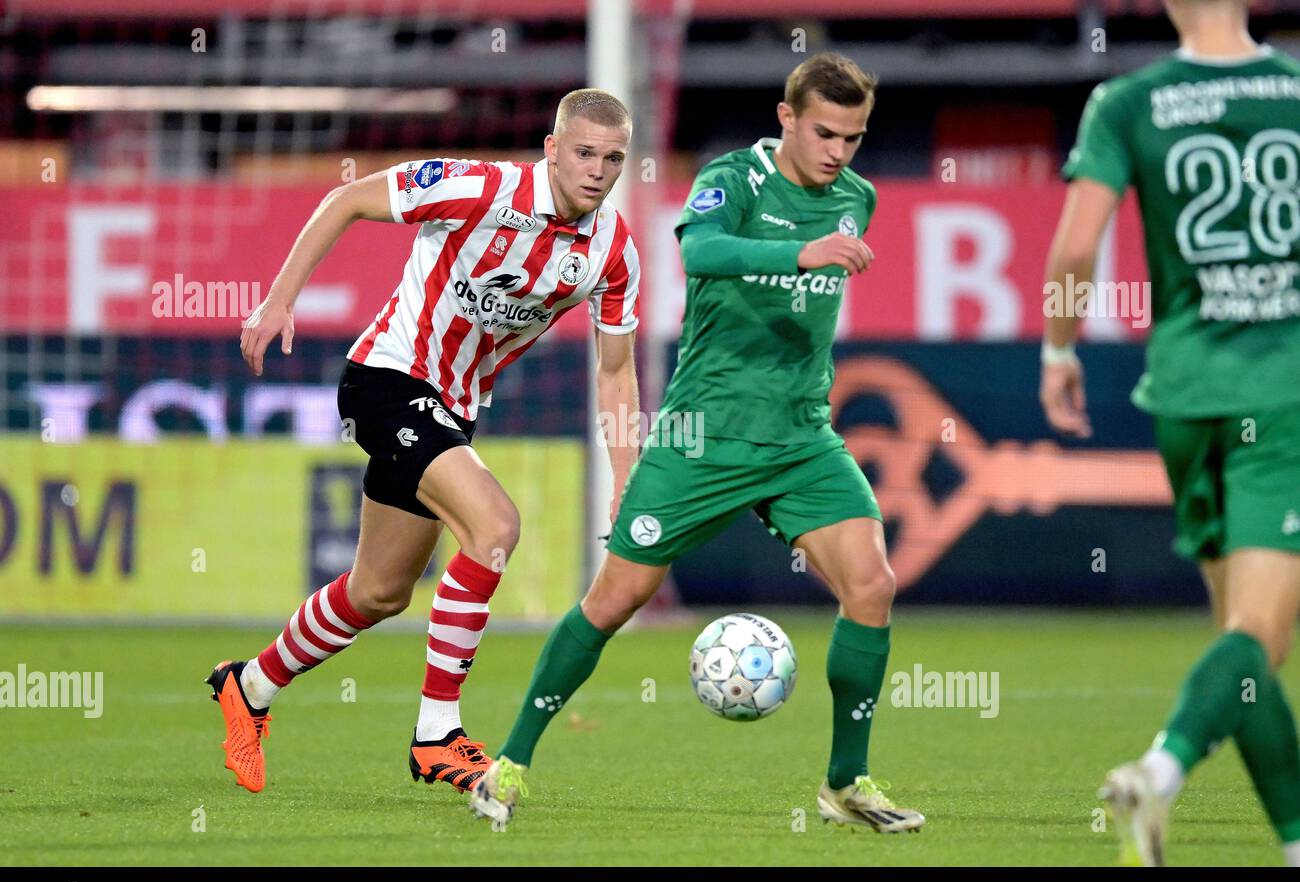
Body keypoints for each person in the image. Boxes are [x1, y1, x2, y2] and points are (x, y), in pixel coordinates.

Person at [471, 53, 925, 835]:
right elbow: (700, 252)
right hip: (701, 439)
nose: (838, 152)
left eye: (853, 137)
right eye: (824, 132)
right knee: (614, 601)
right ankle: (508, 763)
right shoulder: (735, 180)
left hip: (800, 439)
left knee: (873, 586)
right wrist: (798, 254)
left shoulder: (859, 199)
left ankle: (846, 783)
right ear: (787, 119)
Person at [206, 89, 642, 797]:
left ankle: (247, 686)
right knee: (496, 525)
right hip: (385, 377)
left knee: (379, 592)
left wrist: (629, 476)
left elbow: (616, 372)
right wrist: (279, 298)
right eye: (584, 152)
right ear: (552, 149)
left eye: (614, 158)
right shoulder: (478, 187)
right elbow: (345, 201)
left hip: (455, 410)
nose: (596, 170)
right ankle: (436, 734)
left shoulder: (614, 252)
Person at [1041, 0, 1300, 865]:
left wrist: (1059, 349)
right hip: (1281, 392)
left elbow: (1076, 251)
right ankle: (1160, 769)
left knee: (1246, 651)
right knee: (1258, 640)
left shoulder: (1127, 102)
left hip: (1186, 396)